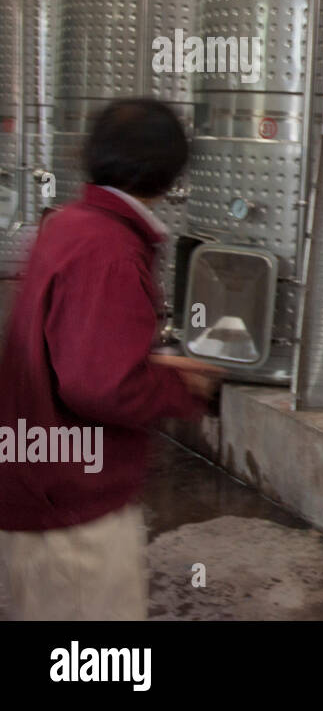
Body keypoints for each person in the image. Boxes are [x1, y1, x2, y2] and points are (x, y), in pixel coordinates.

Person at [0, 98, 223, 620]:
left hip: (38, 477)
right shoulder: (110, 247)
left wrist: (155, 367)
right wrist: (181, 388)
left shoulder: (71, 223)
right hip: (72, 502)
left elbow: (73, 351)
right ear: (171, 173)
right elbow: (97, 385)